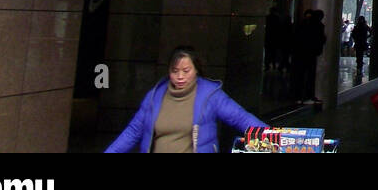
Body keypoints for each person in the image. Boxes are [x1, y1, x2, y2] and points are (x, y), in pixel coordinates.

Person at [106, 45, 266, 153]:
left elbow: (240, 118)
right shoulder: (155, 96)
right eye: (175, 71)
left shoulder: (210, 94)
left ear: (196, 69)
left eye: (186, 70)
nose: (180, 76)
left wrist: (275, 137)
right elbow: (133, 131)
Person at [351, 15, 371, 83]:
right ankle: (359, 65)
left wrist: (356, 38)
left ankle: (359, 65)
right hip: (363, 42)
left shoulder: (357, 27)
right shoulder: (365, 26)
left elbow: (352, 34)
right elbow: (371, 31)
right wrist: (367, 37)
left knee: (358, 54)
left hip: (358, 42)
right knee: (360, 54)